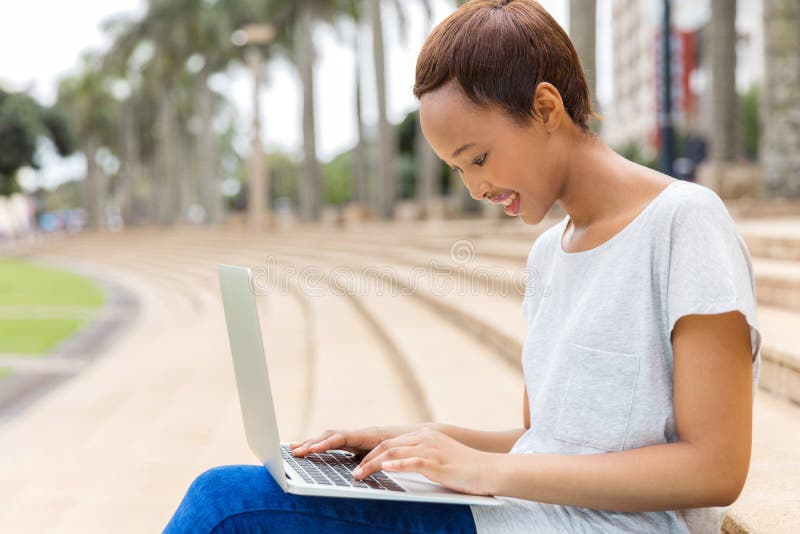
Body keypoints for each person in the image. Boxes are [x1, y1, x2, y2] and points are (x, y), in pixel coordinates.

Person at [164, 1, 761, 532]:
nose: (475, 186)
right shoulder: (549, 254)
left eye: (478, 157)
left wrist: (486, 472)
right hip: (520, 513)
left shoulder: (684, 223)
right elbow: (543, 442)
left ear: (546, 107)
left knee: (227, 504)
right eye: (458, 169)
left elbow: (714, 468)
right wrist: (412, 441)